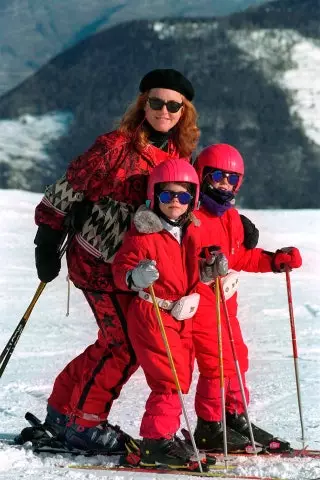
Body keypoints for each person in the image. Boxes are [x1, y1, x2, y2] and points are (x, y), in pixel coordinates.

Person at [20, 69, 200, 452]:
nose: (164, 111)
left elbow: (186, 202)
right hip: (97, 261)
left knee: (114, 341)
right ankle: (84, 423)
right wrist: (46, 241)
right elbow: (65, 191)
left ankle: (62, 409)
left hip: (136, 266)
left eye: (173, 105)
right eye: (156, 101)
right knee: (125, 346)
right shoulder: (114, 147)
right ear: (143, 103)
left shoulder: (177, 154)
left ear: (184, 111)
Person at [112, 157, 226, 467]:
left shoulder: (191, 231)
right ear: (154, 195)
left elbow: (193, 270)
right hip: (152, 314)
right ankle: (156, 441)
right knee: (169, 378)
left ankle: (164, 433)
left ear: (193, 199)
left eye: (183, 196)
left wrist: (208, 271)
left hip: (180, 316)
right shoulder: (143, 232)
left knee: (181, 374)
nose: (175, 202)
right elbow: (121, 268)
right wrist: (135, 275)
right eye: (167, 195)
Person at [191, 144, 302, 453]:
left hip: (225, 305)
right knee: (216, 363)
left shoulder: (229, 217)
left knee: (237, 356)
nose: (224, 184)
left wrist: (274, 261)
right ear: (202, 176)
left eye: (231, 178)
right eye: (216, 176)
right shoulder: (192, 216)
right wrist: (202, 263)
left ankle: (233, 416)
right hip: (199, 303)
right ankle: (209, 426)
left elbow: (241, 256)